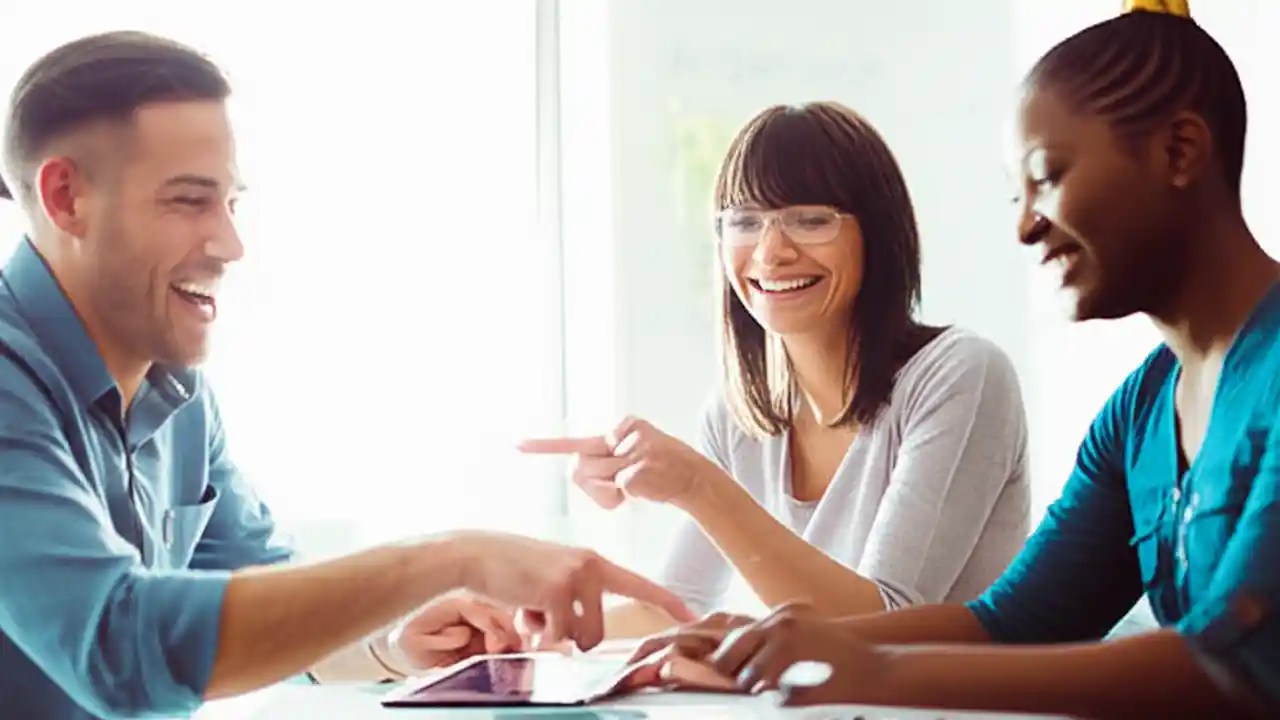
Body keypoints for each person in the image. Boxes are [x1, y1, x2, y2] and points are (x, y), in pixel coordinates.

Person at [0, 31, 692, 720]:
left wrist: (392, 641)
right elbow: (119, 650)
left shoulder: (177, 394)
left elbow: (266, 597)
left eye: (231, 203)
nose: (231, 245)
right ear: (67, 197)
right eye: (187, 201)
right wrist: (452, 557)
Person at [632, 2, 1280, 717]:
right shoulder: (1141, 410)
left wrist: (865, 667)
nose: (1027, 225)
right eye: (1017, 194)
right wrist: (789, 642)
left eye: (1050, 177)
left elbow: (1230, 666)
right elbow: (1015, 624)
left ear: (1179, 152)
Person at [520, 101, 1031, 639]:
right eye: (744, 222)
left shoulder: (960, 375)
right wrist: (538, 635)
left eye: (810, 220)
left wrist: (697, 485)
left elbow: (882, 624)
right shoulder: (737, 418)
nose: (770, 252)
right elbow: (676, 610)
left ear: (877, 235)